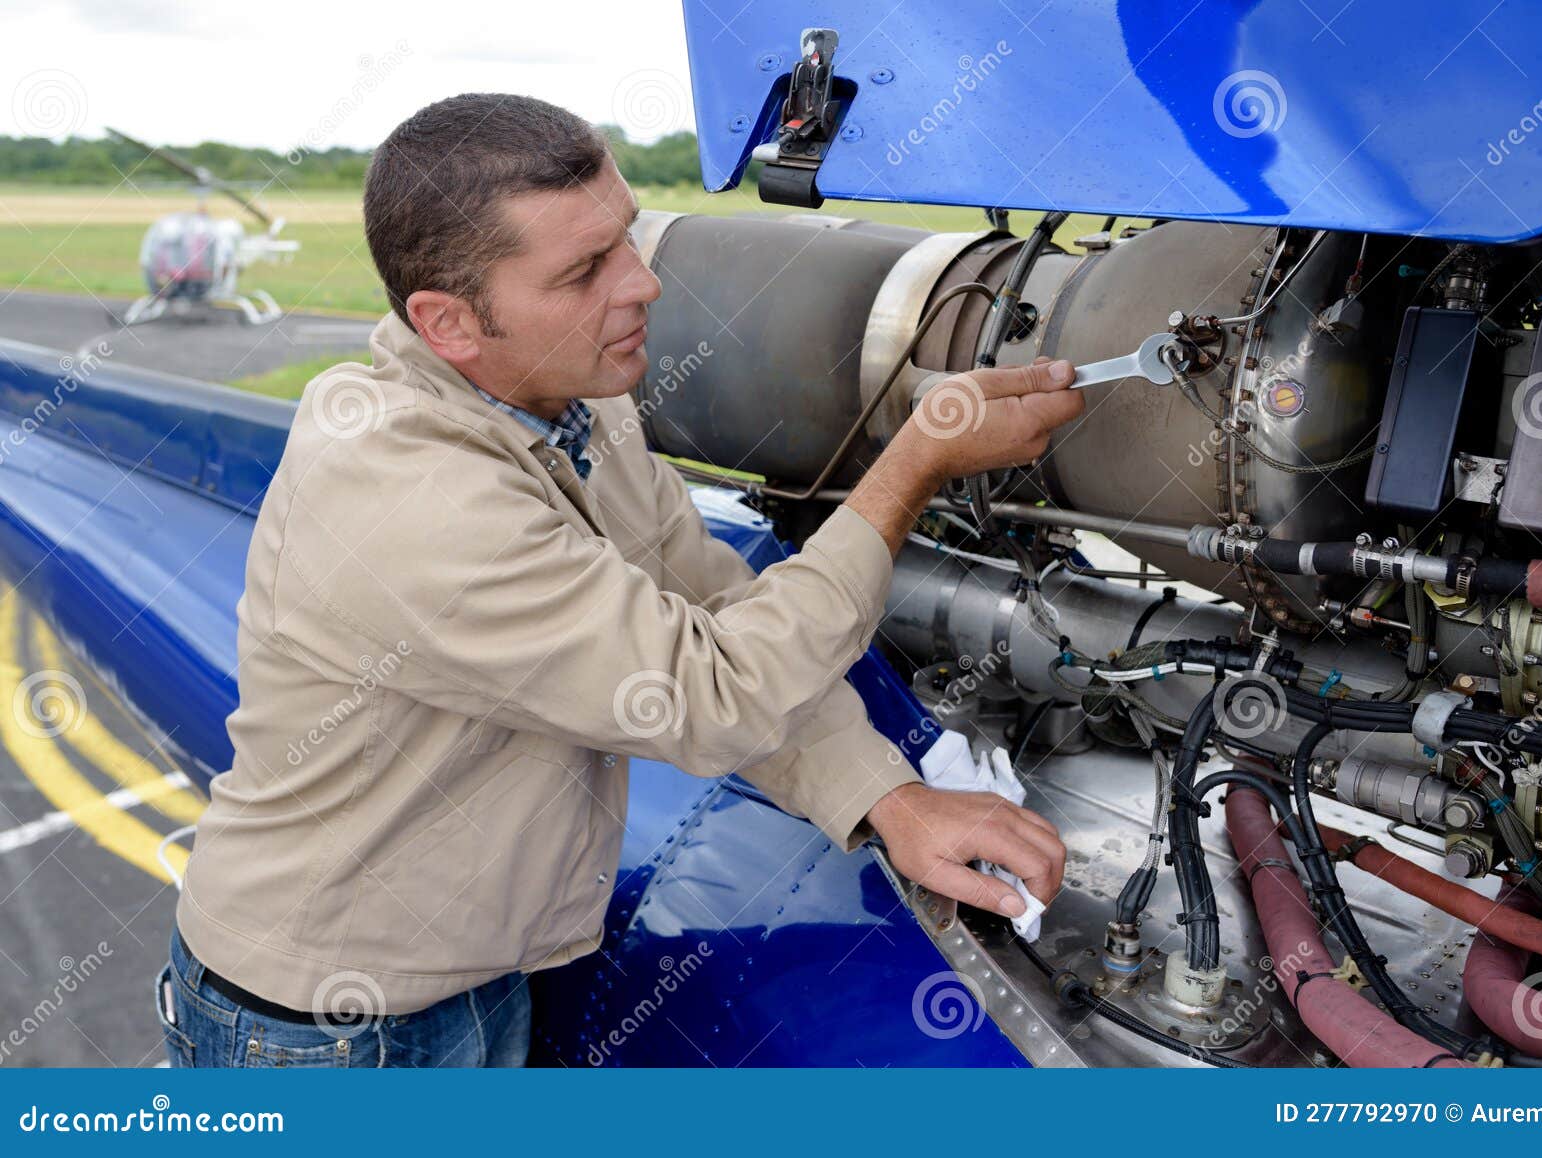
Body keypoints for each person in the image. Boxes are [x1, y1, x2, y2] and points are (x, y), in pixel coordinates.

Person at [159, 93, 1083, 1068]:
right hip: (331, 1032)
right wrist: (912, 466)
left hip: (476, 974)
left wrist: (883, 796)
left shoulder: (572, 404)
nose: (643, 284)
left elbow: (716, 608)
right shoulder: (413, 497)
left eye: (628, 238)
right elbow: (715, 694)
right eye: (584, 271)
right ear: (449, 323)